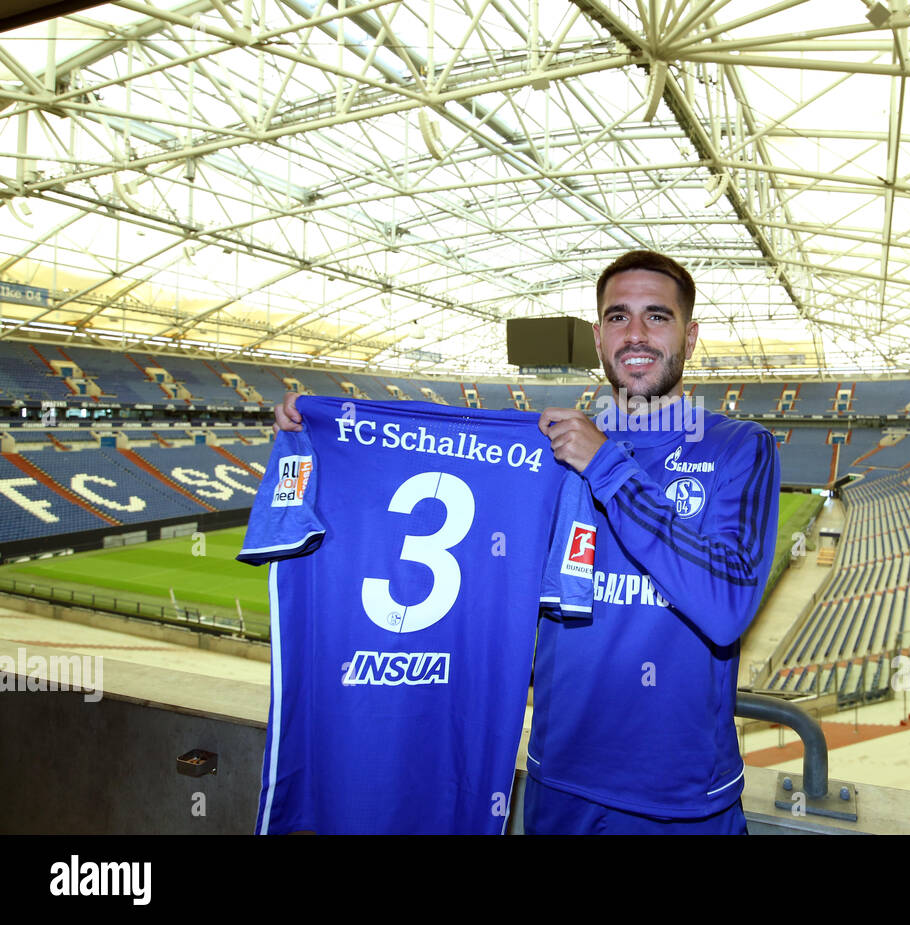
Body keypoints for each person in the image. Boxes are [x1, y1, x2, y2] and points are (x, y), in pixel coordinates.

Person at [274, 250, 780, 834]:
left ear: (690, 337)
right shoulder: (543, 454)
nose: (636, 334)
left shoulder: (739, 448)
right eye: (618, 317)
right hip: (558, 782)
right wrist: (325, 432)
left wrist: (608, 467)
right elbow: (428, 475)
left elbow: (725, 606)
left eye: (656, 317)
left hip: (680, 796)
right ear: (597, 337)